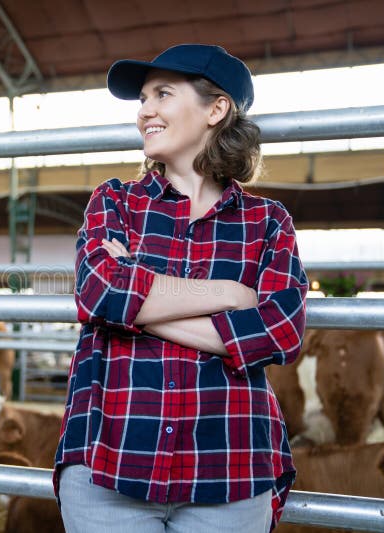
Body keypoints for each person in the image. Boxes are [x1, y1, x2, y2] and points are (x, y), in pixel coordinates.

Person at [54, 44, 309, 532]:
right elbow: (99, 292)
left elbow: (280, 332)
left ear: (216, 109)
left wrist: (142, 300)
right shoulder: (115, 201)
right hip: (111, 460)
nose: (144, 111)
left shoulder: (267, 221)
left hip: (228, 468)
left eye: (163, 94)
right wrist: (233, 296)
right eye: (143, 98)